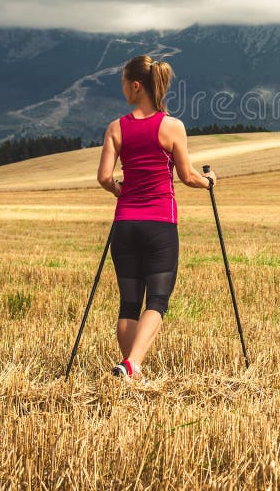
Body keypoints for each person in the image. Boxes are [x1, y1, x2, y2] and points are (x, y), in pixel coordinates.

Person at [96, 55, 216, 380]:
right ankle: (133, 365)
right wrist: (209, 182)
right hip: (160, 223)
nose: (122, 89)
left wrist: (123, 192)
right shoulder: (172, 127)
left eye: (123, 83)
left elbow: (105, 177)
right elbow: (188, 176)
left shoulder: (116, 128)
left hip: (125, 225)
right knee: (158, 300)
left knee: (129, 302)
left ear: (136, 86)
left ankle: (128, 368)